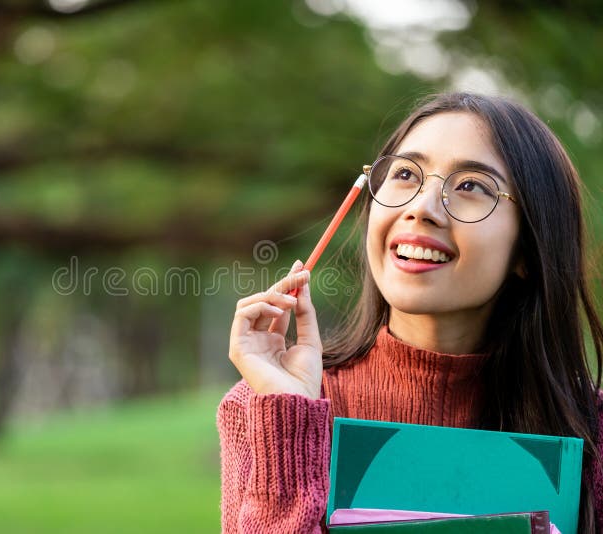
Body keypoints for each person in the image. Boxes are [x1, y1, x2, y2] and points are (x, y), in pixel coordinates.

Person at [218, 92, 603, 533]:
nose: (421, 208)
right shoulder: (267, 406)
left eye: (471, 186)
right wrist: (289, 421)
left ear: (528, 249)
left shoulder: (592, 430)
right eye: (404, 174)